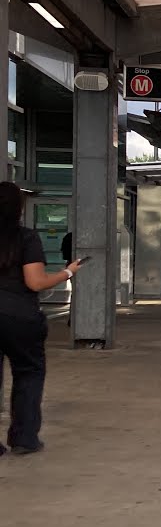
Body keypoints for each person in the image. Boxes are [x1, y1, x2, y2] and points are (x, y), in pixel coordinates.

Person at [0, 182, 83, 456]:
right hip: (20, 317)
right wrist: (68, 272)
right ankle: (24, 439)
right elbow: (35, 282)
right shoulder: (25, 238)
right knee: (28, 373)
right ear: (17, 209)